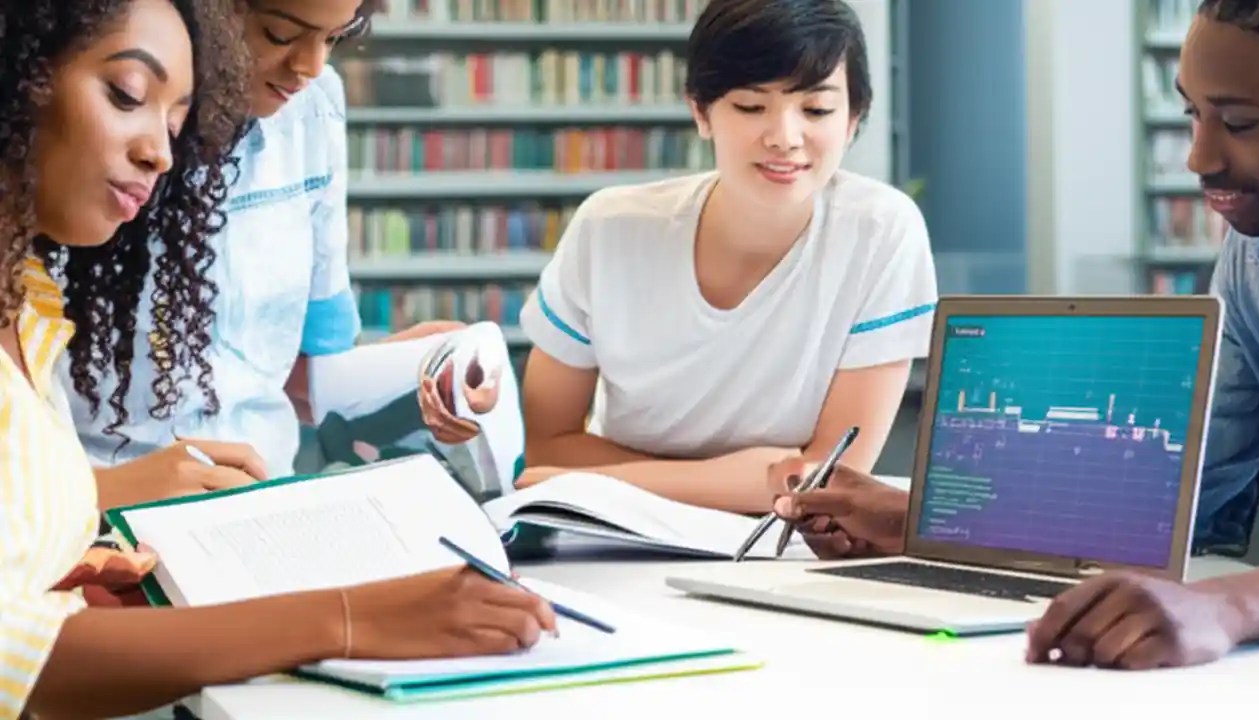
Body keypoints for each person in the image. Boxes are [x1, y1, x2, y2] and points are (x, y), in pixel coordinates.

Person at [1, 2, 554, 717]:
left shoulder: (34, 313)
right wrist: (351, 618)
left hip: (209, 551)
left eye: (178, 122)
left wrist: (411, 377)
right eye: (128, 95)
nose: (161, 155)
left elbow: (308, 367)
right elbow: (22, 658)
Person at [774, 0, 1259, 670]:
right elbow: (1179, 489)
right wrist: (924, 522)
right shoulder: (1254, 257)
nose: (1199, 158)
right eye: (1192, 113)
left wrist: (1232, 606)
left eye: (1238, 123)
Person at [64, 0, 501, 511]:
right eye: (278, 33)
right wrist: (99, 492)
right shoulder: (88, 144)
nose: (311, 67)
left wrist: (415, 377)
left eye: (335, 37)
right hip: (92, 512)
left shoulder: (314, 107)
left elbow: (305, 373)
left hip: (260, 497)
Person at [516, 0, 938, 513]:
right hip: (609, 531)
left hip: (782, 541)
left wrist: (599, 480)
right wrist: (754, 478)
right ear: (701, 111)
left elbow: (828, 482)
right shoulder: (609, 230)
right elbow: (548, 447)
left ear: (852, 120)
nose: (785, 138)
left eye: (816, 110)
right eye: (750, 107)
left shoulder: (880, 232)